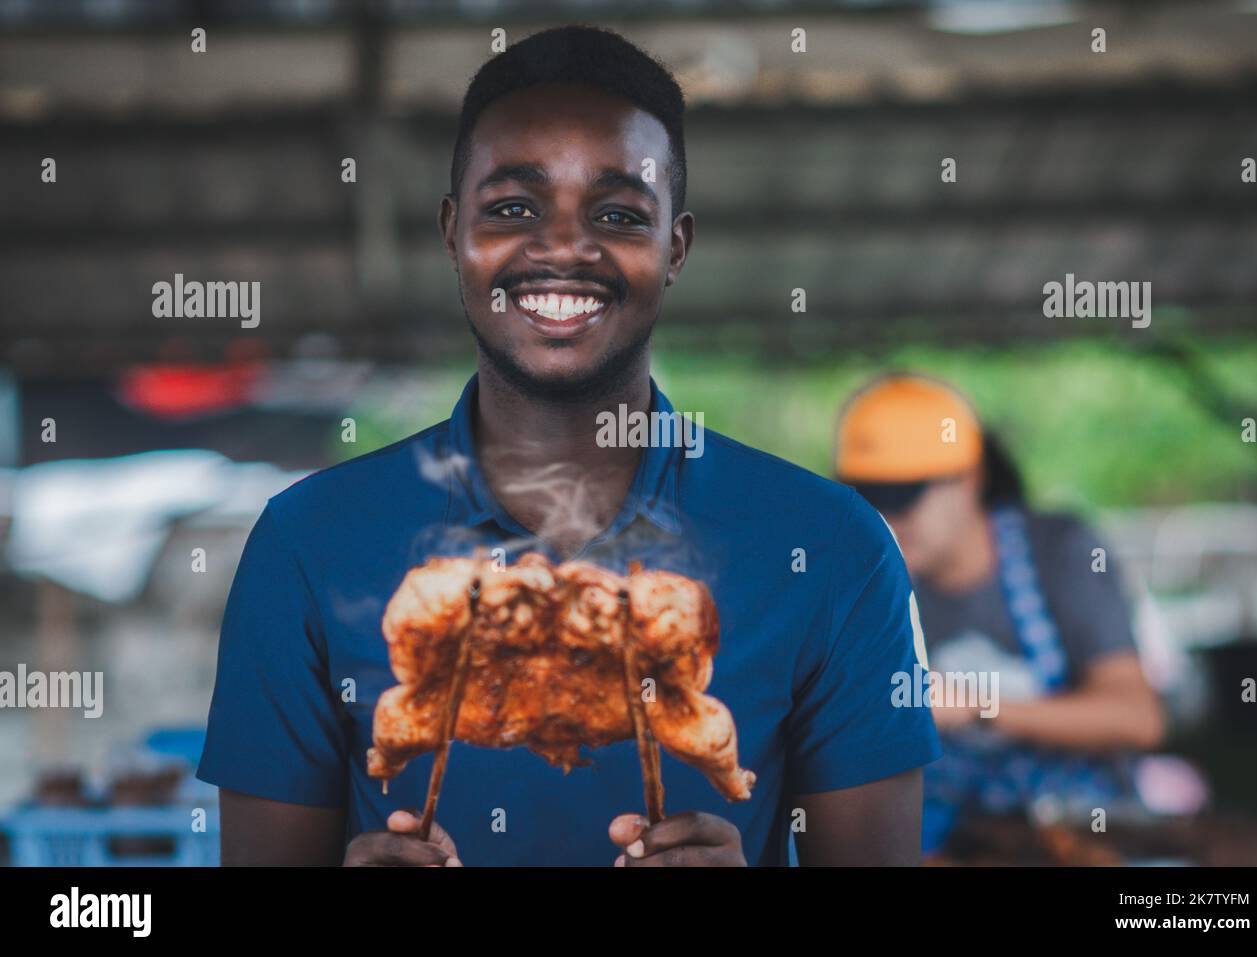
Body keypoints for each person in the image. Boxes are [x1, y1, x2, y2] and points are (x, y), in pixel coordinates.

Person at [197, 26, 940, 867]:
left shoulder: (834, 546)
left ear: (676, 248)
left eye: (619, 214)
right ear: (452, 233)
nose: (562, 247)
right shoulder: (306, 543)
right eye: (512, 208)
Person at [833, 373, 1165, 853]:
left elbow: (1138, 718)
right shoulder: (866, 581)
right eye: (871, 497)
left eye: (907, 497)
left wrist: (974, 705)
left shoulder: (1058, 552)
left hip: (1079, 834)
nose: (891, 518)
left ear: (970, 477)